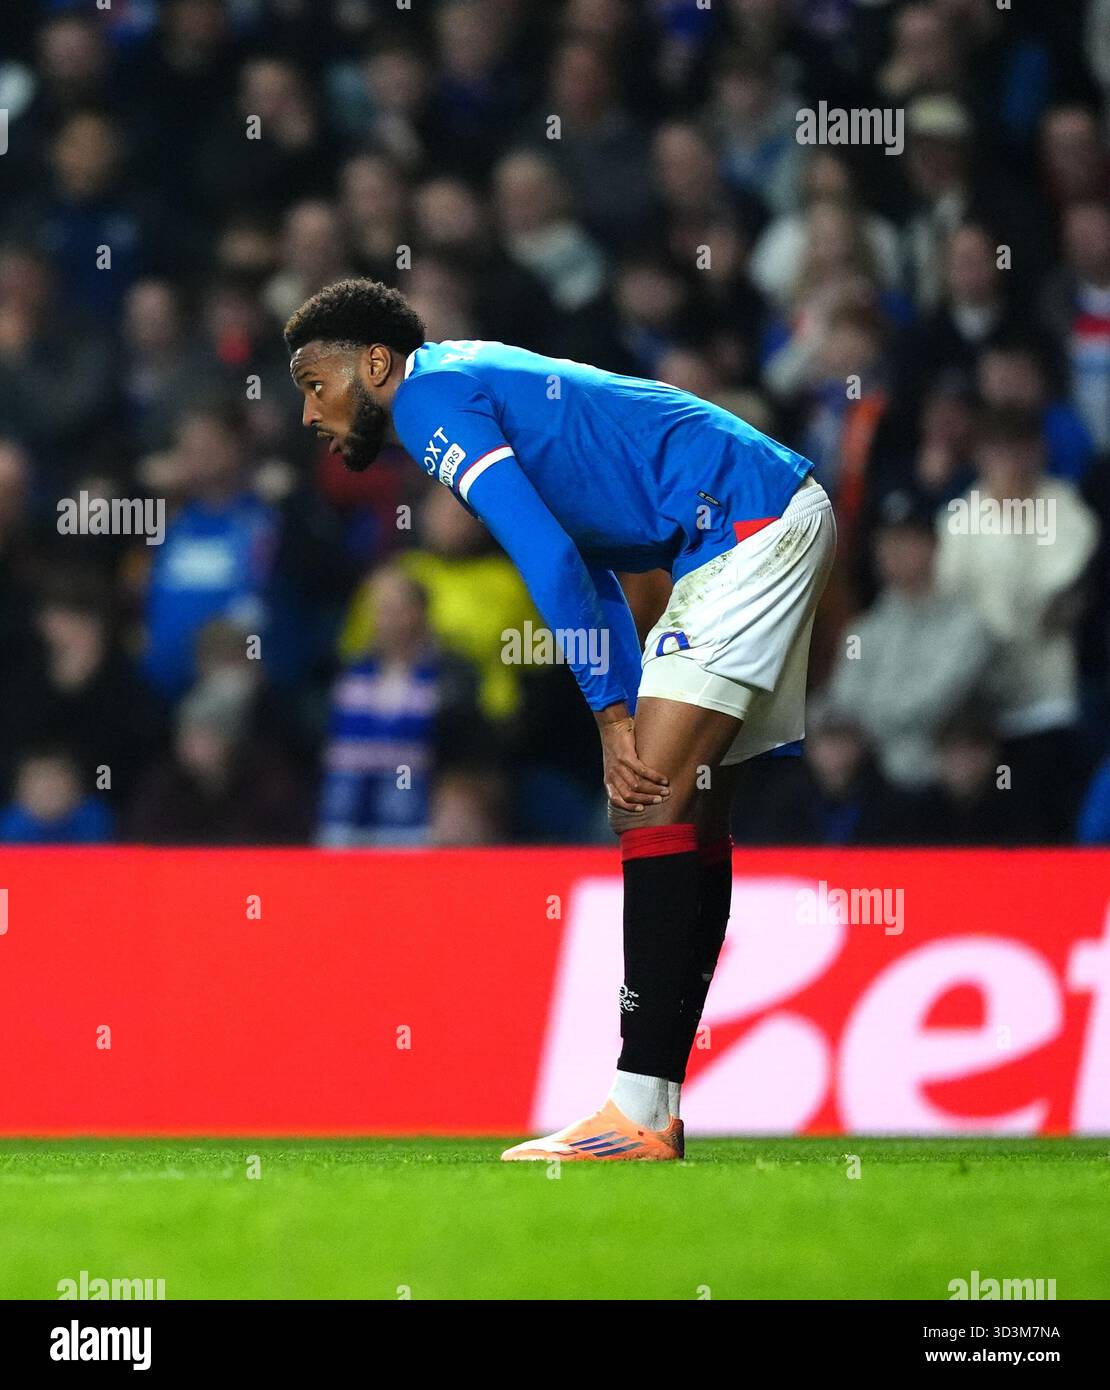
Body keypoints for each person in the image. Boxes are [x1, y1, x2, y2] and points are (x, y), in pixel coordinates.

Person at [285, 277, 835, 1161]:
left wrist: (615, 716)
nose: (309, 413)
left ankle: (638, 1109)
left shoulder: (428, 398)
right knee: (688, 813)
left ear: (376, 362)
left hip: (743, 529)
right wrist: (612, 711)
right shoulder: (465, 380)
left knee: (649, 804)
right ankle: (651, 1108)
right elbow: (589, 565)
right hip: (755, 519)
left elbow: (545, 557)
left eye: (317, 384)